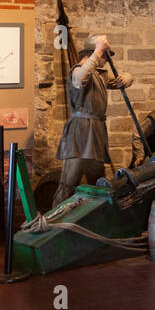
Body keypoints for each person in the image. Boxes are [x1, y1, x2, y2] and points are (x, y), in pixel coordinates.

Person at [53, 34, 135, 205]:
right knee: (69, 183)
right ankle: (54, 222)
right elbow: (80, 78)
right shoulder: (78, 70)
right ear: (93, 53)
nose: (104, 60)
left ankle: (96, 217)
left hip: (96, 132)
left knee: (98, 183)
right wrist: (98, 51)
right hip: (80, 132)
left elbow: (121, 79)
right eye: (104, 56)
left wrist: (127, 78)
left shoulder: (99, 75)